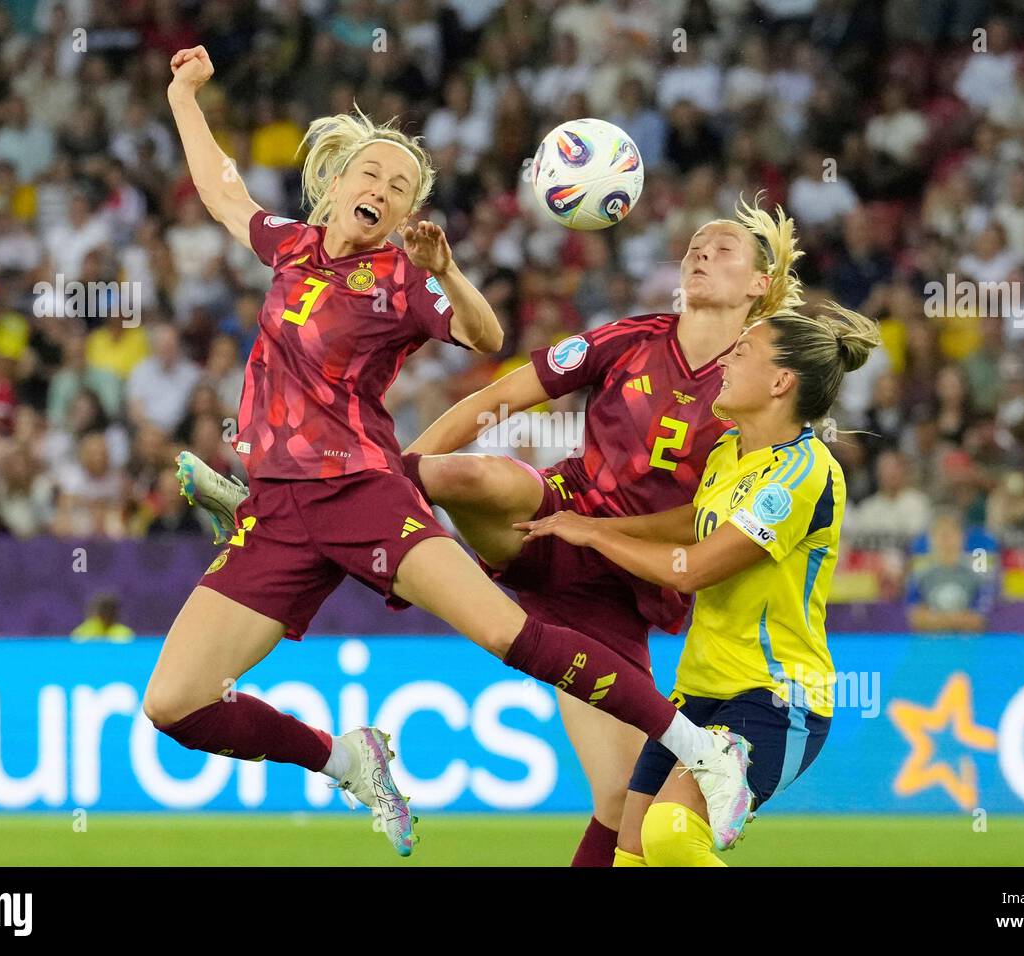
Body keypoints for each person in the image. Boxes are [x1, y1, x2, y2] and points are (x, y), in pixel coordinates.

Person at [143, 46, 755, 859]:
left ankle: (702, 749)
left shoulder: (403, 278)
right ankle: (348, 760)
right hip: (284, 509)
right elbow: (220, 186)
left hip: (364, 486)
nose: (382, 191)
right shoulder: (289, 247)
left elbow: (485, 335)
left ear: (405, 217)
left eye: (400, 189)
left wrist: (447, 269)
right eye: (371, 175)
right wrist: (184, 93)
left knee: (507, 633)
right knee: (174, 704)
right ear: (333, 186)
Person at [515, 304, 881, 866]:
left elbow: (694, 567)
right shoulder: (728, 452)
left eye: (742, 351)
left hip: (776, 698)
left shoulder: (803, 473)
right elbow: (690, 520)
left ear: (781, 382)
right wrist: (594, 524)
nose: (726, 360)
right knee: (630, 850)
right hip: (699, 692)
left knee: (669, 835)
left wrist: (596, 538)